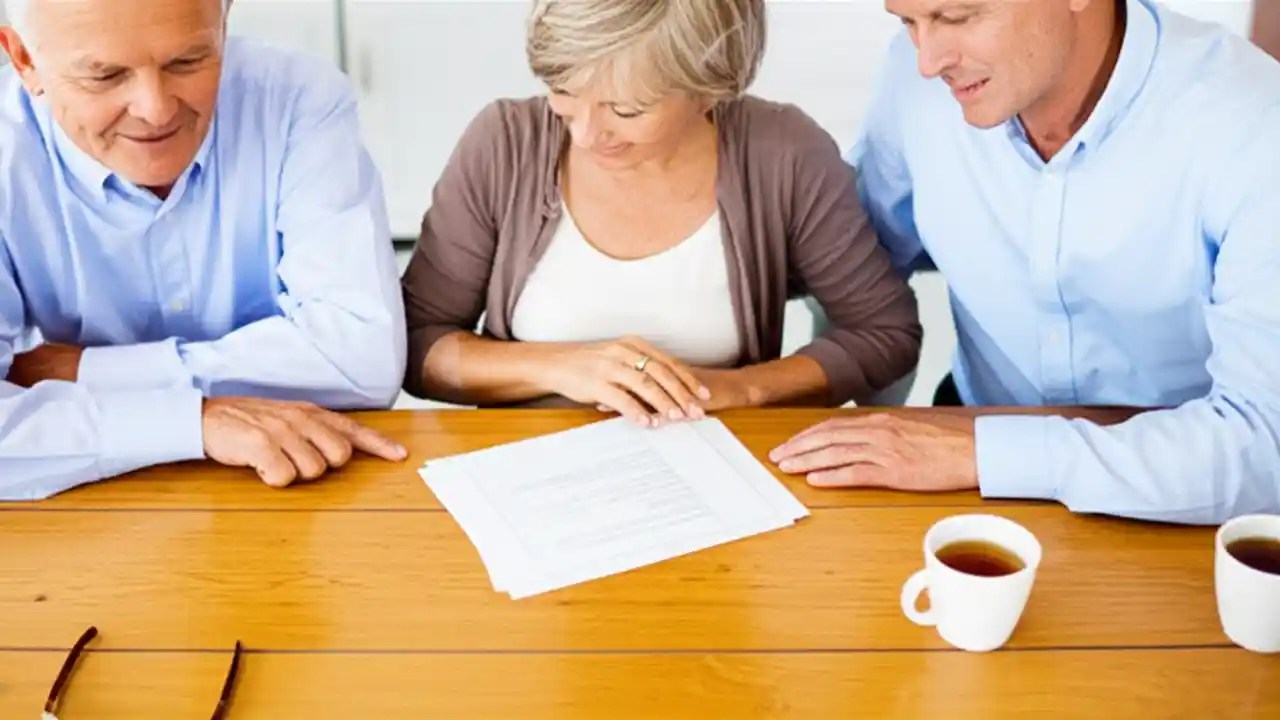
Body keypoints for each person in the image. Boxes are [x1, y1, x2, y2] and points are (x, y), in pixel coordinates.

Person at [772, 0, 1280, 524]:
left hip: (1181, 488)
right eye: (908, 21)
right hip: (964, 441)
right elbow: (862, 259)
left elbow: (1265, 449)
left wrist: (987, 454)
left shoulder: (1256, 124)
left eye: (958, 17)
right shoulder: (914, 77)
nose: (928, 60)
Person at [400, 0, 922, 427]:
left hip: (716, 476)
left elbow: (884, 333)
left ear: (709, 89)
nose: (584, 134)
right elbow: (418, 345)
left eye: (626, 110)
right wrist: (564, 367)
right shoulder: (504, 143)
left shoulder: (782, 153)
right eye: (563, 92)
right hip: (520, 478)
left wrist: (745, 388)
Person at [0, 0, 409, 500]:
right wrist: (197, 423)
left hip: (306, 484)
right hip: (92, 517)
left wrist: (88, 372)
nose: (156, 109)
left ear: (224, 22)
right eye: (105, 76)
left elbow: (363, 360)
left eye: (187, 62)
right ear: (23, 60)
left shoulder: (297, 98)